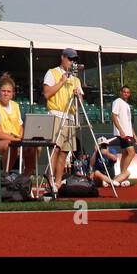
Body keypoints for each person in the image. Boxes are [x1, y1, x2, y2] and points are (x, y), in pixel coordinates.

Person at [42, 48, 84, 193]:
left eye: (74, 60)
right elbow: (47, 94)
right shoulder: (52, 72)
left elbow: (81, 103)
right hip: (56, 114)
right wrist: (61, 81)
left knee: (64, 152)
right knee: (55, 149)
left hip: (70, 116)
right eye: (70, 59)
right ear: (63, 58)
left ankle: (58, 183)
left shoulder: (76, 79)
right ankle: (50, 180)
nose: (72, 62)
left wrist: (79, 95)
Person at [109, 85, 136, 186]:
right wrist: (120, 130)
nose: (126, 94)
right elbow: (114, 116)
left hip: (128, 133)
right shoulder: (117, 101)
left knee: (125, 154)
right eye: (124, 92)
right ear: (121, 92)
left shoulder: (127, 105)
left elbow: (128, 122)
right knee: (131, 152)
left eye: (128, 92)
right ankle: (123, 174)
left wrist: (134, 135)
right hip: (123, 133)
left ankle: (121, 176)